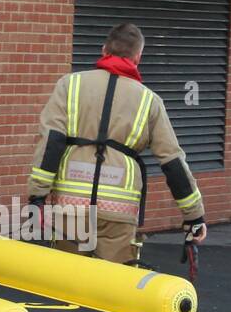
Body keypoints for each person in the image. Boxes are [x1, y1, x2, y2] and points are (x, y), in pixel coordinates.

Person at [27, 21, 206, 265]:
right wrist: (194, 216)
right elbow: (172, 161)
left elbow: (51, 143)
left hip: (70, 206)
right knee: (113, 287)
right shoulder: (149, 100)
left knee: (66, 281)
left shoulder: (70, 85)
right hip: (119, 211)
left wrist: (37, 197)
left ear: (104, 50)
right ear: (138, 57)